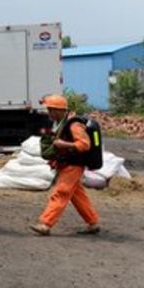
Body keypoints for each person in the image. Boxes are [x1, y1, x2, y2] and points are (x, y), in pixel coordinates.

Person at [30, 94, 101, 236]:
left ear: (59, 110)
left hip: (74, 164)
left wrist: (64, 144)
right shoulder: (60, 123)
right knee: (77, 195)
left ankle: (45, 224)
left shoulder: (73, 124)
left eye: (51, 110)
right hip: (66, 163)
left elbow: (84, 145)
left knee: (61, 192)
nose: (49, 113)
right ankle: (93, 222)